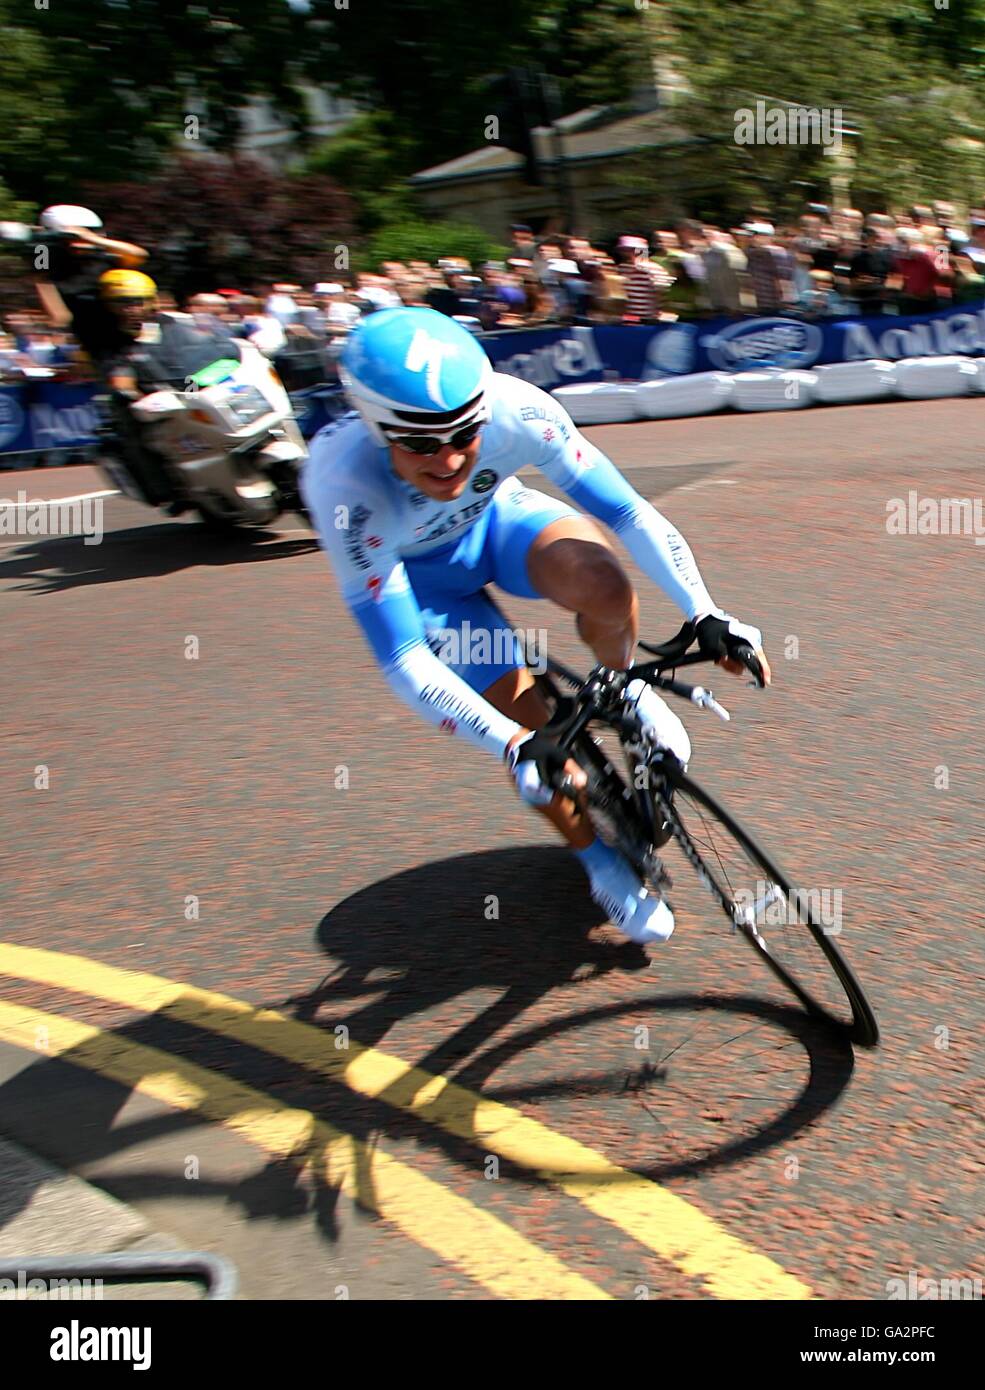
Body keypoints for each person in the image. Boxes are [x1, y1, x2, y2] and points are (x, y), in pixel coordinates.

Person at [301, 308, 770, 945]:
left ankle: (625, 688)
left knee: (606, 586)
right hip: (423, 584)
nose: (448, 459)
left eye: (464, 434)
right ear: (376, 428)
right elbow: (405, 656)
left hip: (497, 524)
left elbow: (628, 511)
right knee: (538, 742)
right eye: (420, 443)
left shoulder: (517, 409)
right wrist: (511, 744)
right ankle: (598, 861)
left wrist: (705, 611)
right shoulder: (344, 487)